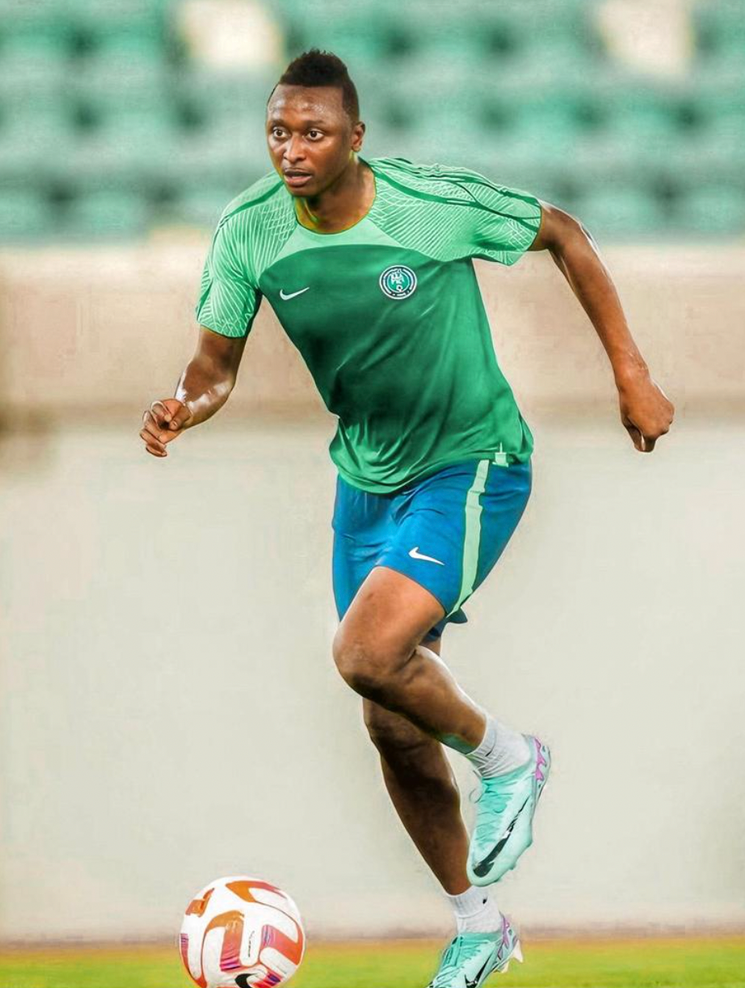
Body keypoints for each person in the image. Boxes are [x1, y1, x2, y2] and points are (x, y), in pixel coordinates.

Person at [139, 50, 674, 988]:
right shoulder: (250, 232)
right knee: (388, 718)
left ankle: (513, 759)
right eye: (278, 131)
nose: (292, 149)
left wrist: (629, 374)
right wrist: (184, 402)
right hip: (367, 478)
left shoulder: (427, 204)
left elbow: (567, 235)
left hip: (471, 461)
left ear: (355, 137)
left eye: (313, 132)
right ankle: (477, 925)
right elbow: (214, 364)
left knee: (364, 654)